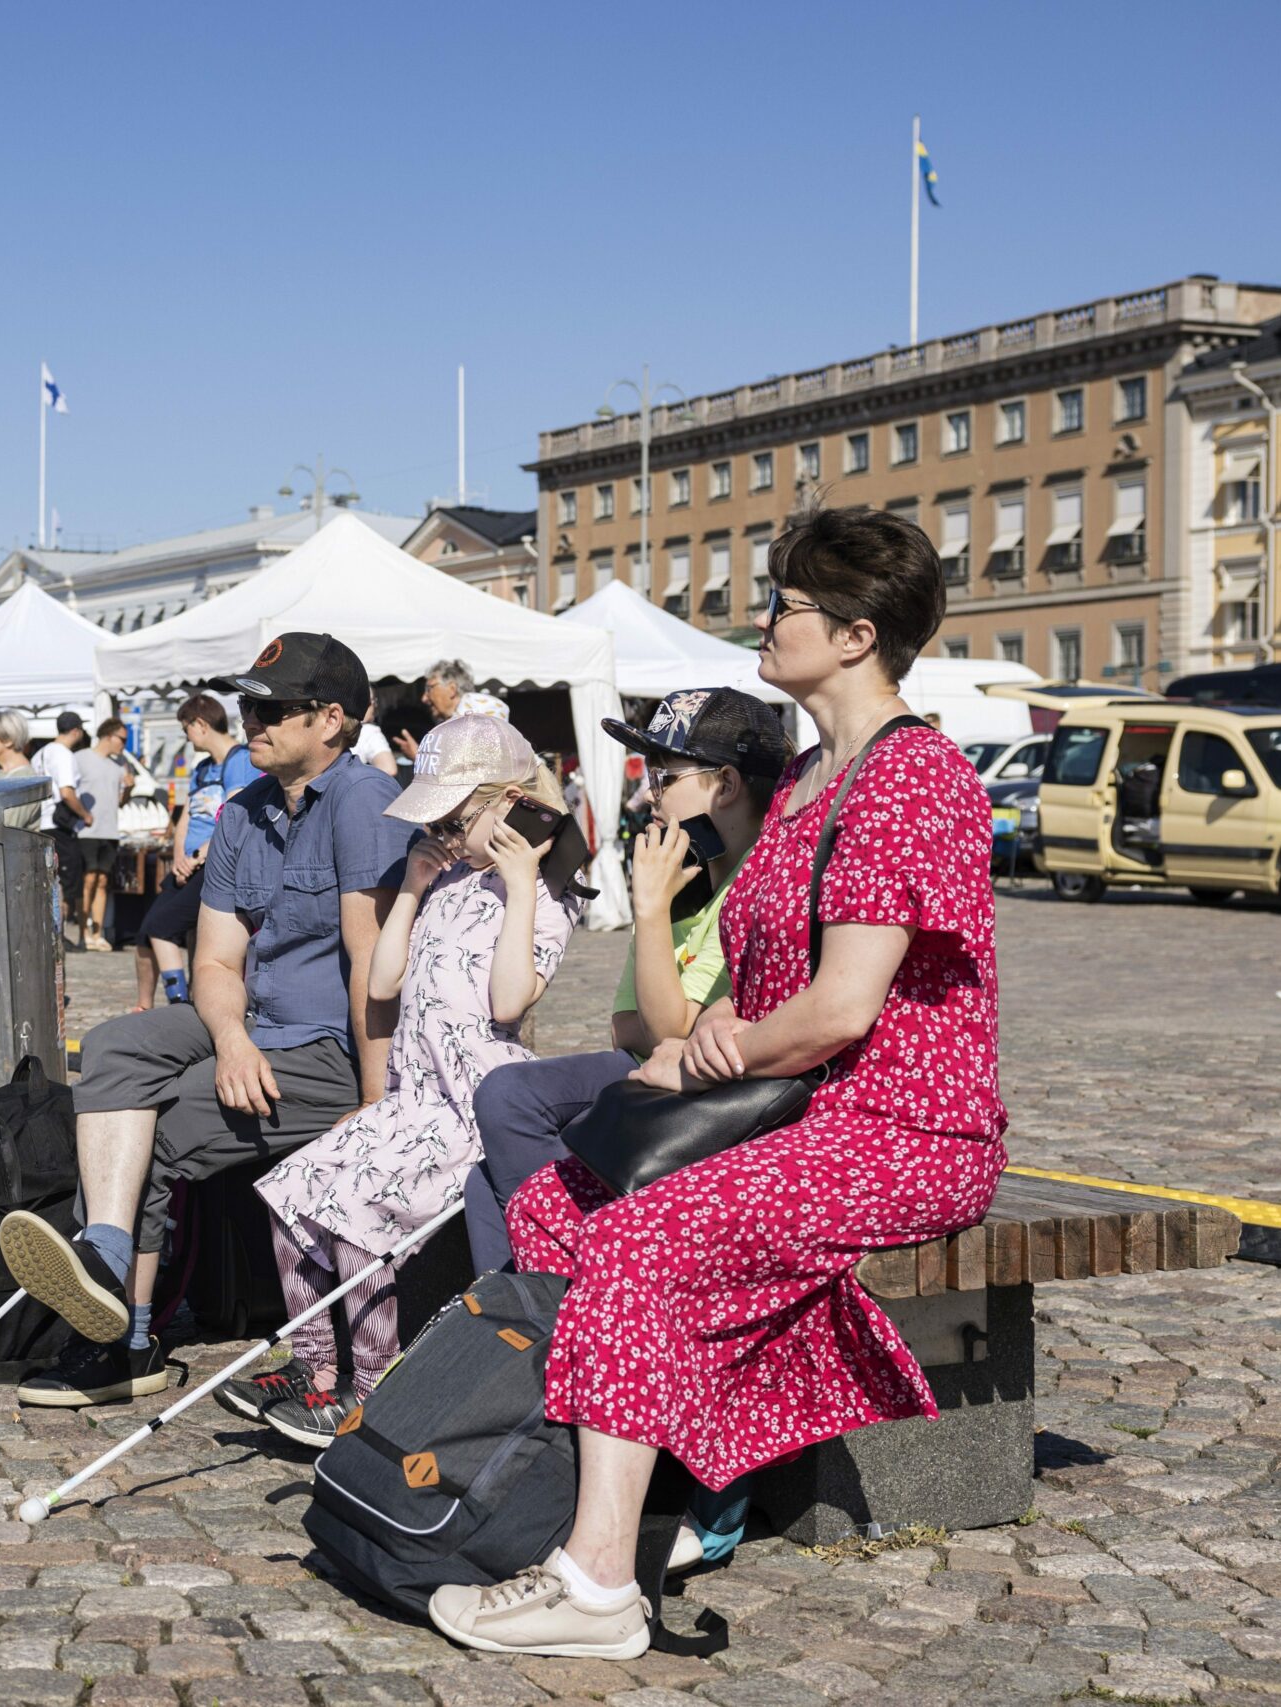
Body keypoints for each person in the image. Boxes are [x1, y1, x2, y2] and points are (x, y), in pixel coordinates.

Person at [428, 506, 1005, 1660]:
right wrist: (695, 1041)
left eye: (786, 605)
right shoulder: (810, 777)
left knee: (638, 1238)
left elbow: (840, 1010)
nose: (764, 621)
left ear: (855, 636)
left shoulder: (911, 778)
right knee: (554, 1204)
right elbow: (768, 982)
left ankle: (597, 1584)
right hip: (795, 1111)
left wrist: (716, 1052)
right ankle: (568, 1496)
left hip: (903, 1127)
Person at [0, 633, 412, 1407]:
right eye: (248, 705)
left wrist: (376, 1104)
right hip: (257, 1022)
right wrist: (230, 1038)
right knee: (115, 1044)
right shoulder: (244, 812)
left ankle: (126, 1342)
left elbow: (372, 969)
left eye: (271, 709)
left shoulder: (363, 801)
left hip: (333, 1049)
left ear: (330, 719)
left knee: (164, 1123)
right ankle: (105, 1257)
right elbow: (216, 962)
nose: (250, 720)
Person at [230, 715, 582, 1445]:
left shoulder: (550, 898)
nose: (443, 835)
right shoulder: (448, 879)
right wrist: (416, 887)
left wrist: (521, 886)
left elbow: (509, 1002)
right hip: (411, 1096)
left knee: (360, 1209)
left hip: (472, 1106)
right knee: (290, 1188)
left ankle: (371, 1388)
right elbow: (383, 983)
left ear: (509, 804)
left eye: (455, 820)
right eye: (436, 822)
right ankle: (314, 1367)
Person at [465, 688, 788, 1273]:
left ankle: (580, 1283)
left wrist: (650, 908)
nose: (649, 794)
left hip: (706, 1097)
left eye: (664, 777)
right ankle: (519, 1313)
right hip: (643, 1073)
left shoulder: (752, 886)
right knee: (483, 1182)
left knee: (508, 1095)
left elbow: (664, 1030)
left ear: (727, 784)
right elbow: (625, 1026)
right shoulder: (685, 880)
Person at [133, 694, 257, 1009]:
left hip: (213, 864)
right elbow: (185, 817)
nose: (186, 737)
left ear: (200, 724)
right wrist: (179, 856)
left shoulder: (239, 760)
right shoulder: (201, 769)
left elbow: (235, 817)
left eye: (186, 728)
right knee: (146, 931)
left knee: (162, 928)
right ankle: (145, 1005)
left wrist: (200, 854)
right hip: (188, 865)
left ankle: (179, 1005)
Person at [72, 717, 129, 952]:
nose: (124, 744)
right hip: (86, 830)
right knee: (88, 880)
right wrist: (82, 814)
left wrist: (130, 787)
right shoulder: (81, 758)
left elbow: (120, 801)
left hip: (110, 830)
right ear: (109, 736)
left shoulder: (119, 764)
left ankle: (97, 933)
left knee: (103, 881)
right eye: (122, 739)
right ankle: (83, 932)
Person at [36, 712, 91, 946]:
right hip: (60, 826)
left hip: (41, 825)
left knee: (49, 881)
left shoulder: (40, 753)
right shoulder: (64, 754)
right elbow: (67, 792)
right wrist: (85, 814)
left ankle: (52, 934)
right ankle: (62, 936)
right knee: (67, 883)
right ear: (76, 731)